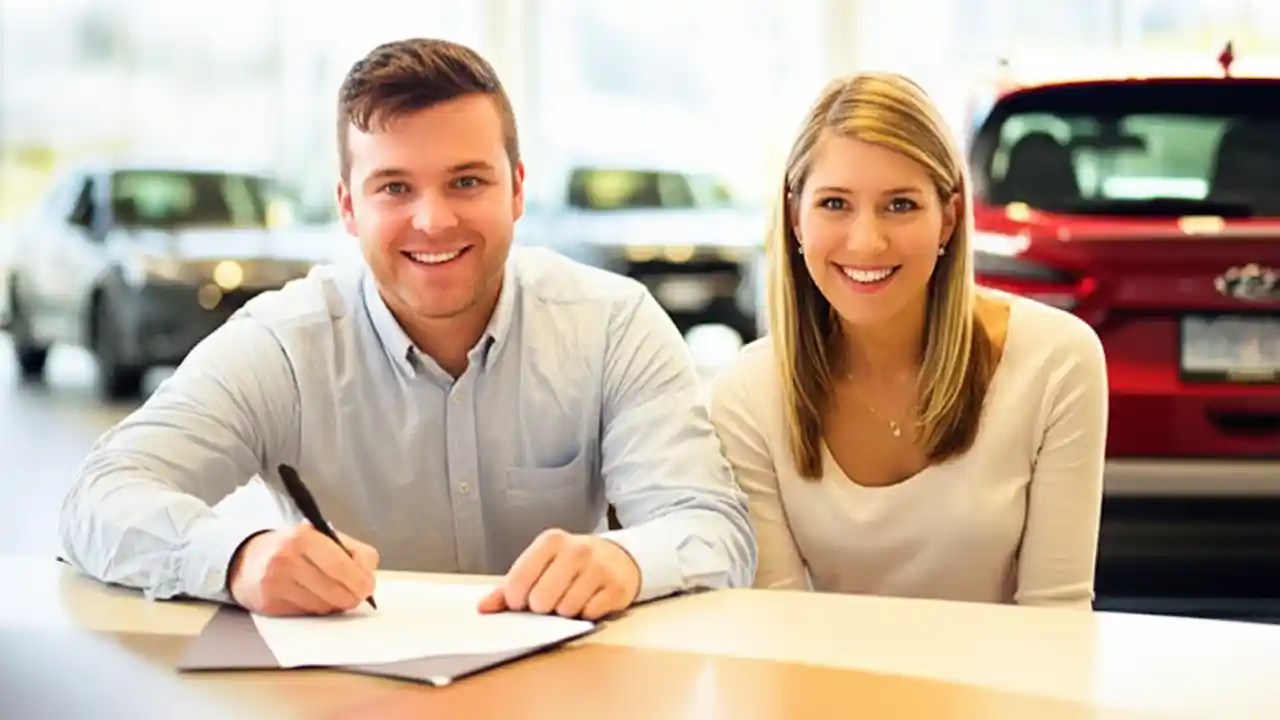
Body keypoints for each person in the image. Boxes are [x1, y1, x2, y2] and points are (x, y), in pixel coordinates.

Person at [59, 38, 755, 621]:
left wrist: (625, 559)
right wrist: (235, 558)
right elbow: (98, 500)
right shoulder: (285, 342)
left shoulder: (612, 325)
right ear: (348, 207)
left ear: (516, 189)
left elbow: (714, 529)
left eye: (466, 183)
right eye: (394, 187)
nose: (433, 220)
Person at [708, 73, 1106, 608]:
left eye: (900, 205)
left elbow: (1057, 621)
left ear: (948, 218)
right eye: (834, 204)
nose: (866, 241)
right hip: (821, 690)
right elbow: (779, 630)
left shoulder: (1056, 361)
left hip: (1009, 689)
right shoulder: (749, 394)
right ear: (794, 218)